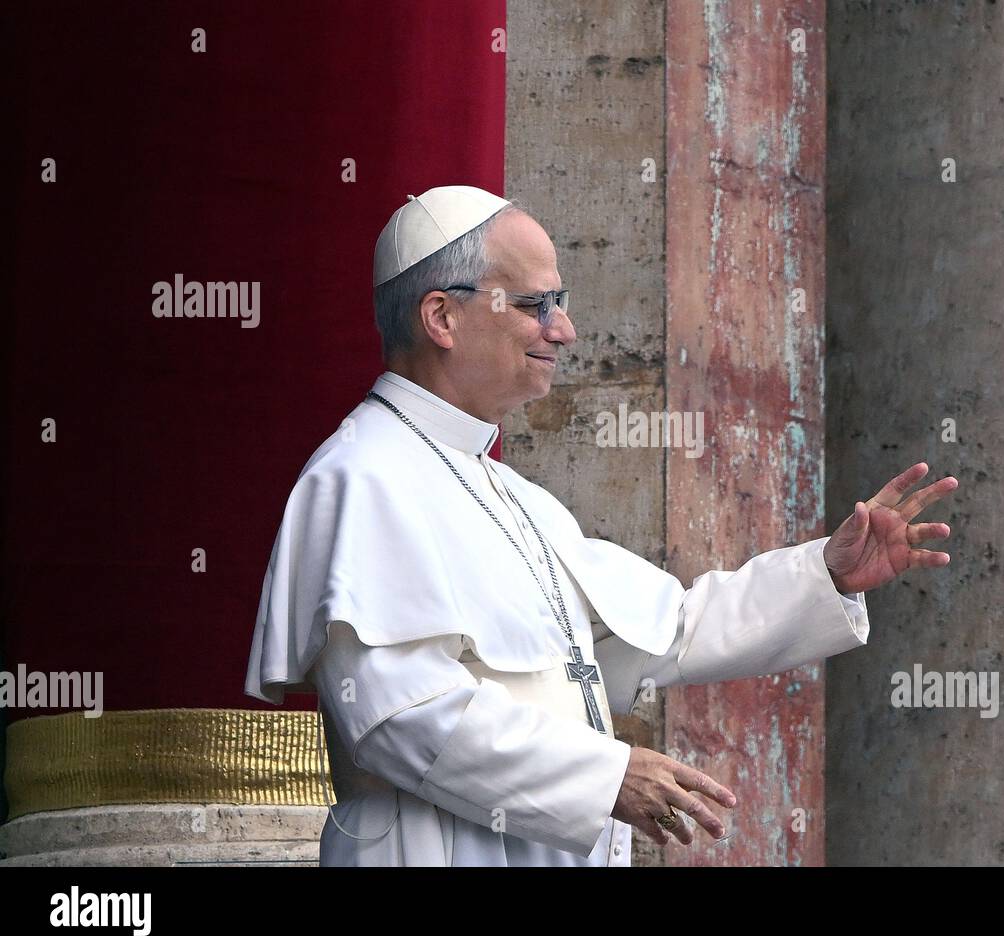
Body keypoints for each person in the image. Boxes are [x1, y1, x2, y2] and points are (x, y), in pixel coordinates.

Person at [243, 185, 958, 866]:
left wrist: (823, 575)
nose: (565, 328)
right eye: (536, 304)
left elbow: (667, 628)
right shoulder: (361, 476)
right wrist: (604, 777)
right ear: (442, 318)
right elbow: (398, 716)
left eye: (561, 303)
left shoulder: (516, 496)